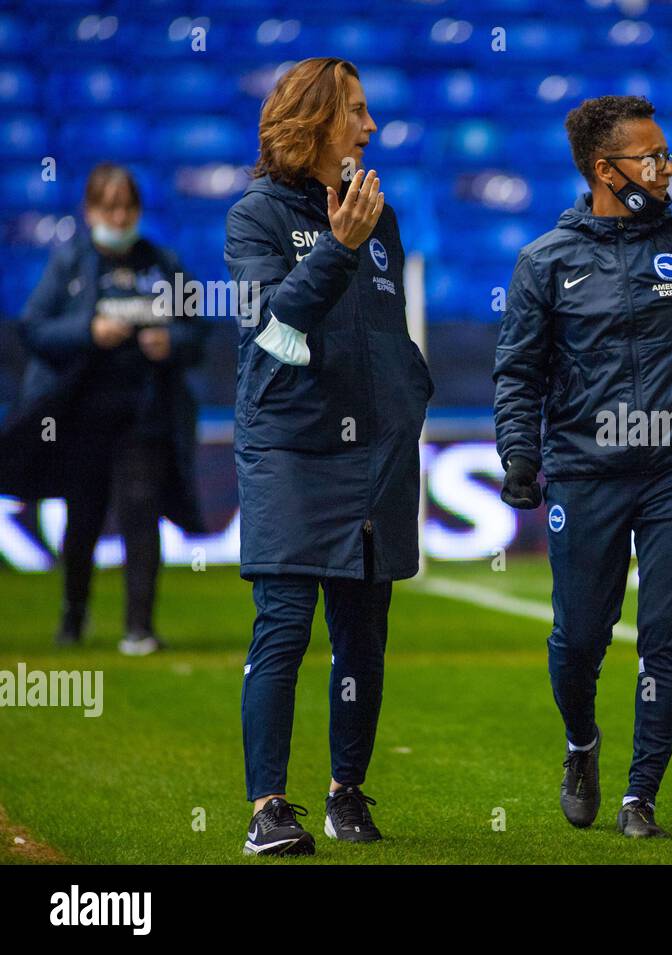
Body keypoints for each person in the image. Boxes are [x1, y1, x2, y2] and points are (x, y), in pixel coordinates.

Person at [493, 95, 672, 838]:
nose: (667, 167)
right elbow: (519, 373)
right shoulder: (546, 260)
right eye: (652, 157)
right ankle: (581, 743)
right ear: (606, 171)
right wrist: (519, 452)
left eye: (666, 154)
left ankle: (642, 796)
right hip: (585, 470)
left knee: (665, 631)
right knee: (579, 639)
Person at [224, 57, 432, 856]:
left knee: (363, 634)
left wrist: (410, 392)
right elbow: (273, 333)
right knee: (283, 625)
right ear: (312, 122)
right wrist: (336, 248)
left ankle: (347, 793)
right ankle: (267, 807)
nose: (370, 126)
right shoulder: (254, 218)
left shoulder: (379, 213)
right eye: (355, 110)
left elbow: (390, 332)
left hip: (376, 452)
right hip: (290, 446)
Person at [0, 163, 207, 655]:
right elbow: (34, 329)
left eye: (128, 206)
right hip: (79, 420)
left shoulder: (163, 263)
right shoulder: (68, 264)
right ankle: (74, 614)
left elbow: (198, 333)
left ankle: (140, 627)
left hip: (144, 417)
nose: (119, 215)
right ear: (90, 210)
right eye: (109, 206)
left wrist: (169, 341)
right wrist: (88, 333)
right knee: (83, 520)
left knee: (141, 512)